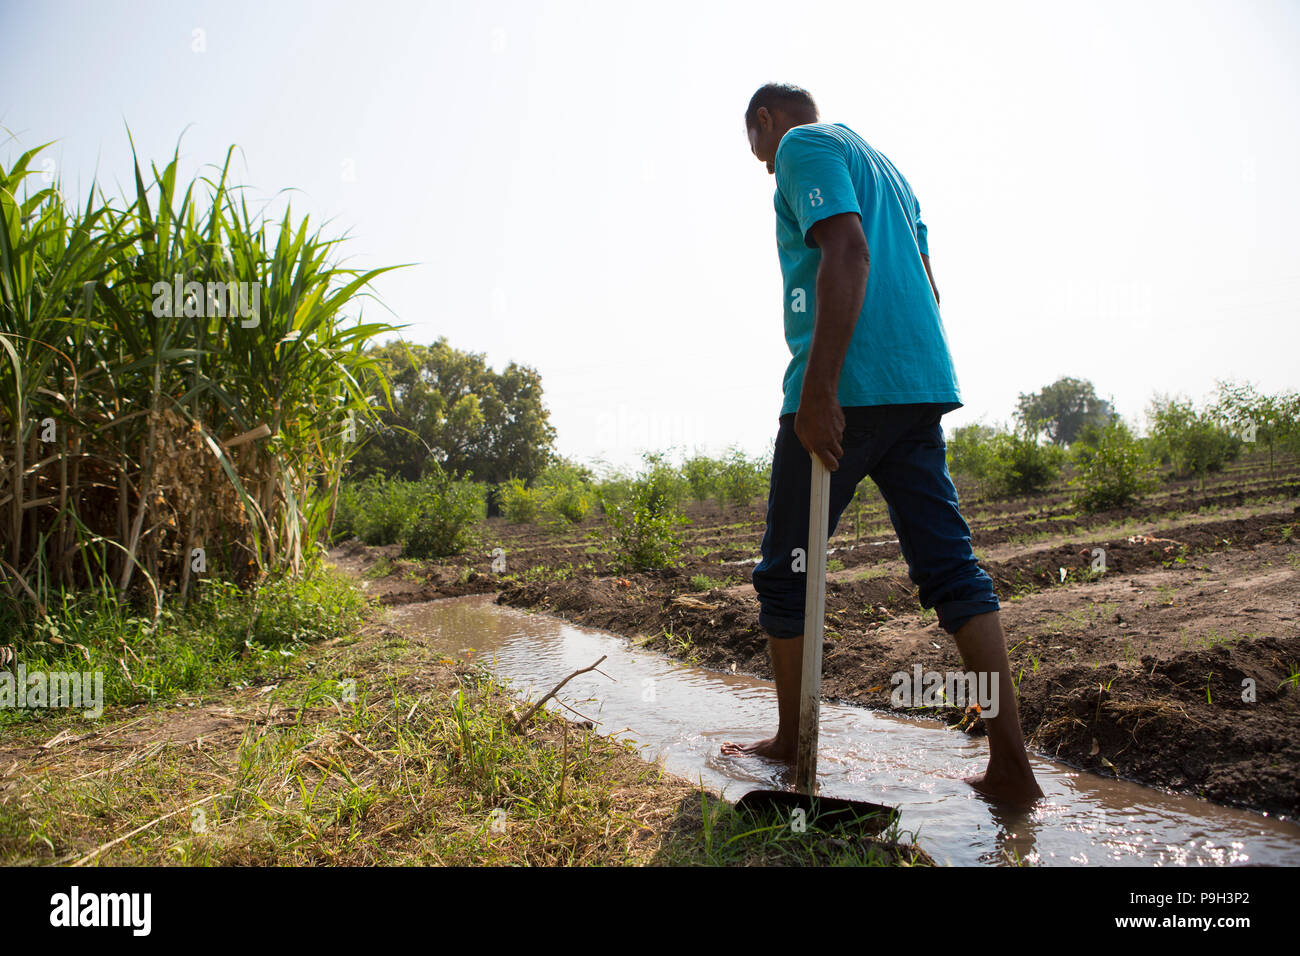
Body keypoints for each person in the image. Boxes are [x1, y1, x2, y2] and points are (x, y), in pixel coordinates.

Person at [720, 82, 1043, 806]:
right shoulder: (889, 170)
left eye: (759, 155)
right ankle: (1012, 769)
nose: (769, 170)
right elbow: (927, 284)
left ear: (766, 122)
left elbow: (848, 250)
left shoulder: (804, 145)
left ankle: (794, 749)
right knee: (952, 570)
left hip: (853, 384)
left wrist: (820, 390)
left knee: (784, 572)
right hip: (918, 382)